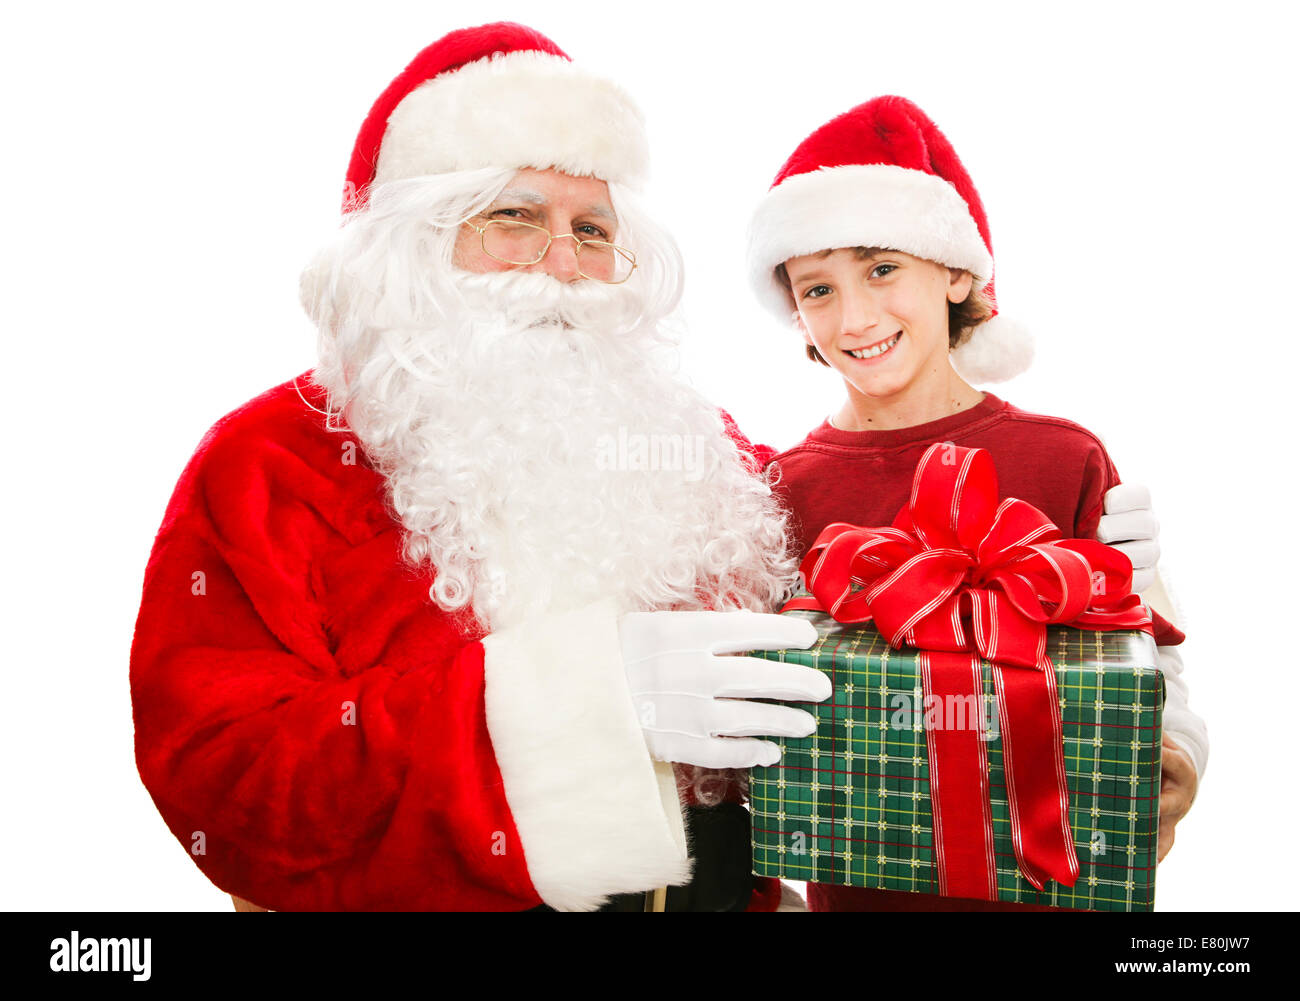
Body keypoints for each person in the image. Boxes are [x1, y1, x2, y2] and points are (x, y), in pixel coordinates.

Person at [129, 22, 834, 913]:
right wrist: (584, 705)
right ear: (412, 244)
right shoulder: (269, 459)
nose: (568, 264)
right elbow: (223, 774)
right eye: (515, 218)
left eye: (591, 228)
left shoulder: (697, 441)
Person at [744, 94, 1206, 911]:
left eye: (882, 269)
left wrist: (1172, 759)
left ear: (956, 271)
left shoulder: (1066, 457)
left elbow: (1145, 658)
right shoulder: (784, 488)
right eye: (817, 289)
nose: (854, 317)